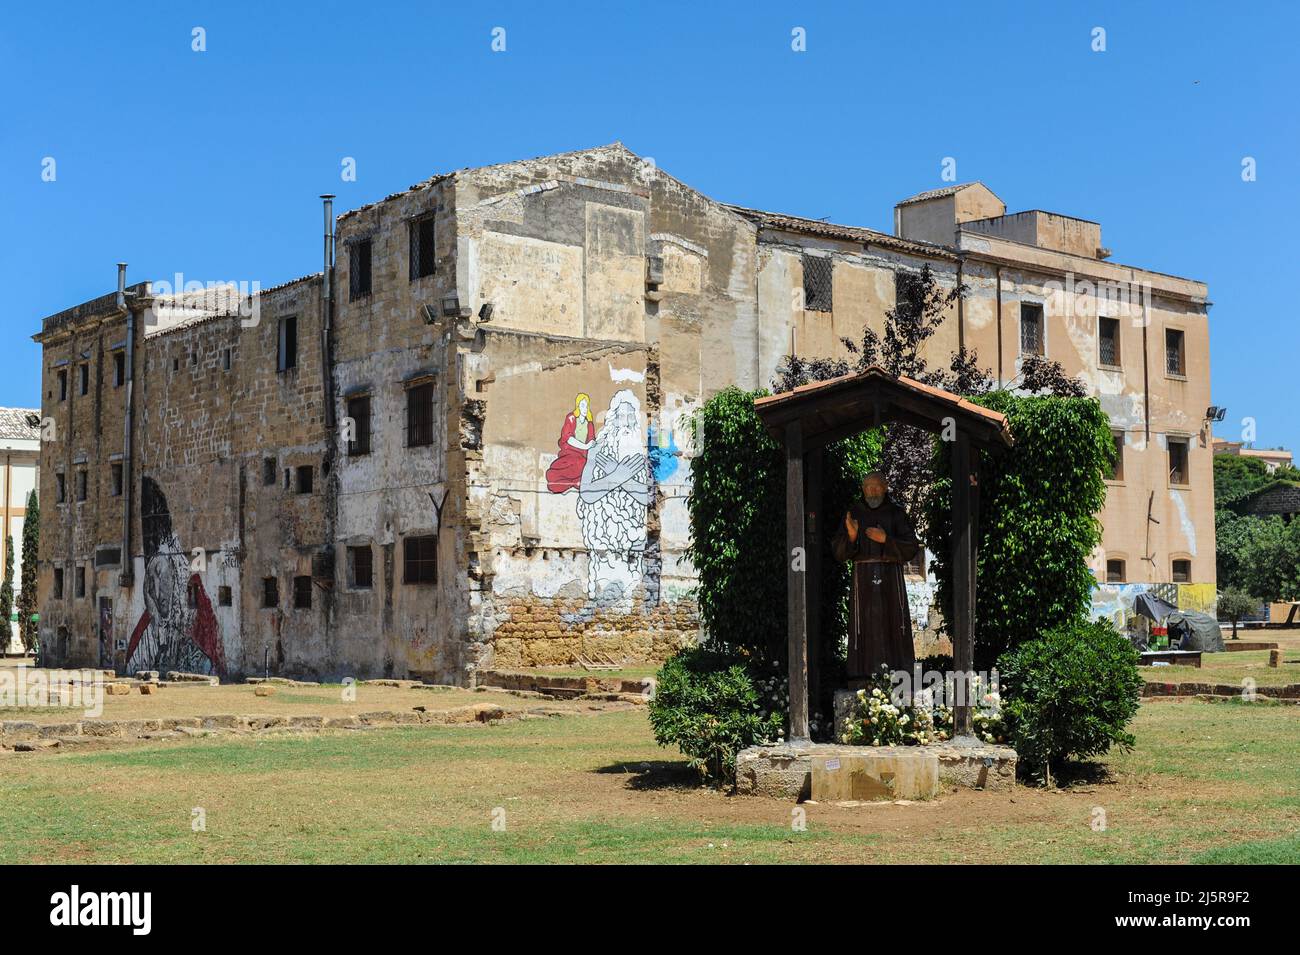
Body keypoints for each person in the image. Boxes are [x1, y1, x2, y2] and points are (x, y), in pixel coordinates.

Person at [831, 471, 921, 684]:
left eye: (876, 486)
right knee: (864, 623)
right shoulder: (853, 513)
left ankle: (900, 671)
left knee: (893, 622)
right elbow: (838, 551)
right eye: (867, 487)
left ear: (885, 487)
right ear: (862, 489)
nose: (871, 491)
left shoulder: (896, 513)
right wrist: (852, 536)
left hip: (891, 579)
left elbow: (911, 548)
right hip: (862, 580)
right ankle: (861, 673)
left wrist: (886, 540)